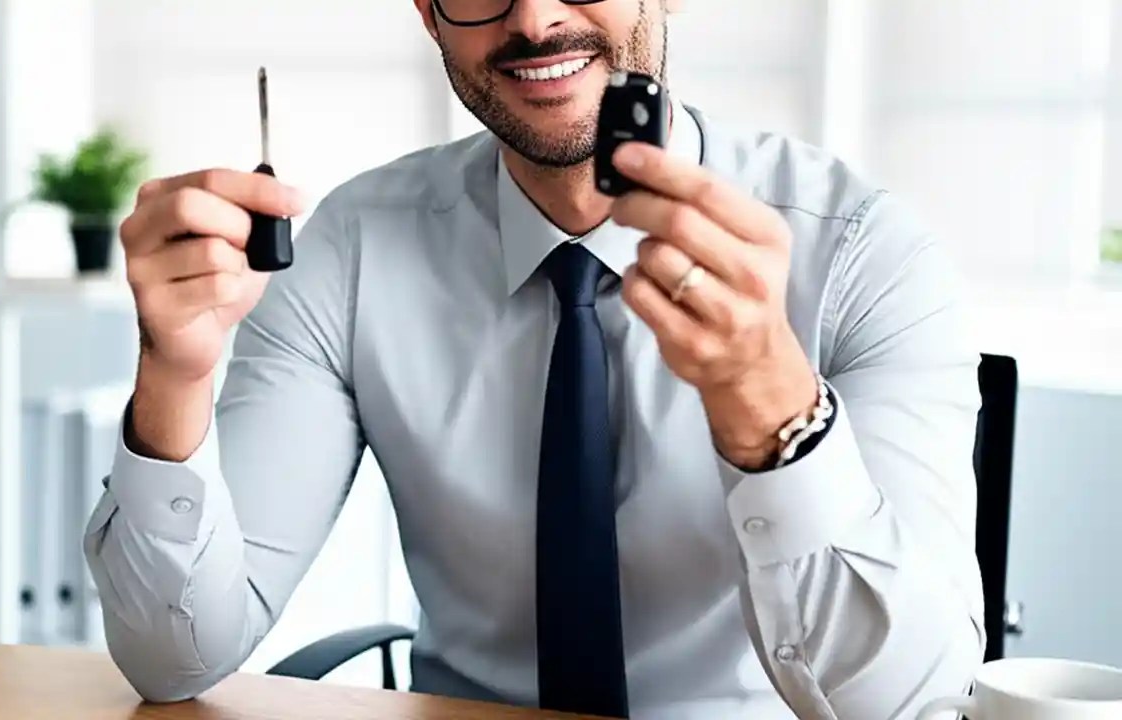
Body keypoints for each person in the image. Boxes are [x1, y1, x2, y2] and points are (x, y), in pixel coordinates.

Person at [82, 0, 986, 717]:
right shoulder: (354, 249)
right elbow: (174, 660)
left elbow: (911, 708)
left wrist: (773, 412)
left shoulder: (866, 254)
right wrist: (175, 376)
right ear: (427, 11)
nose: (533, 17)